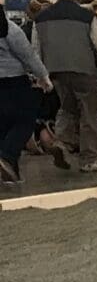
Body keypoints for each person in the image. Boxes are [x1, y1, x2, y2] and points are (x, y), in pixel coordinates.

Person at [33, 0, 97, 173]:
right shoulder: (86, 16)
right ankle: (90, 159)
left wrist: (41, 76)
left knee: (67, 107)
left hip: (55, 72)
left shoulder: (40, 18)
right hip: (84, 71)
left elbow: (35, 49)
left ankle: (61, 143)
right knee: (90, 113)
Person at [0, 10, 52, 185]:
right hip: (14, 81)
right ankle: (7, 157)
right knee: (25, 120)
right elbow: (28, 55)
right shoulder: (10, 29)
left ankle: (10, 173)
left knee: (4, 125)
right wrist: (43, 76)